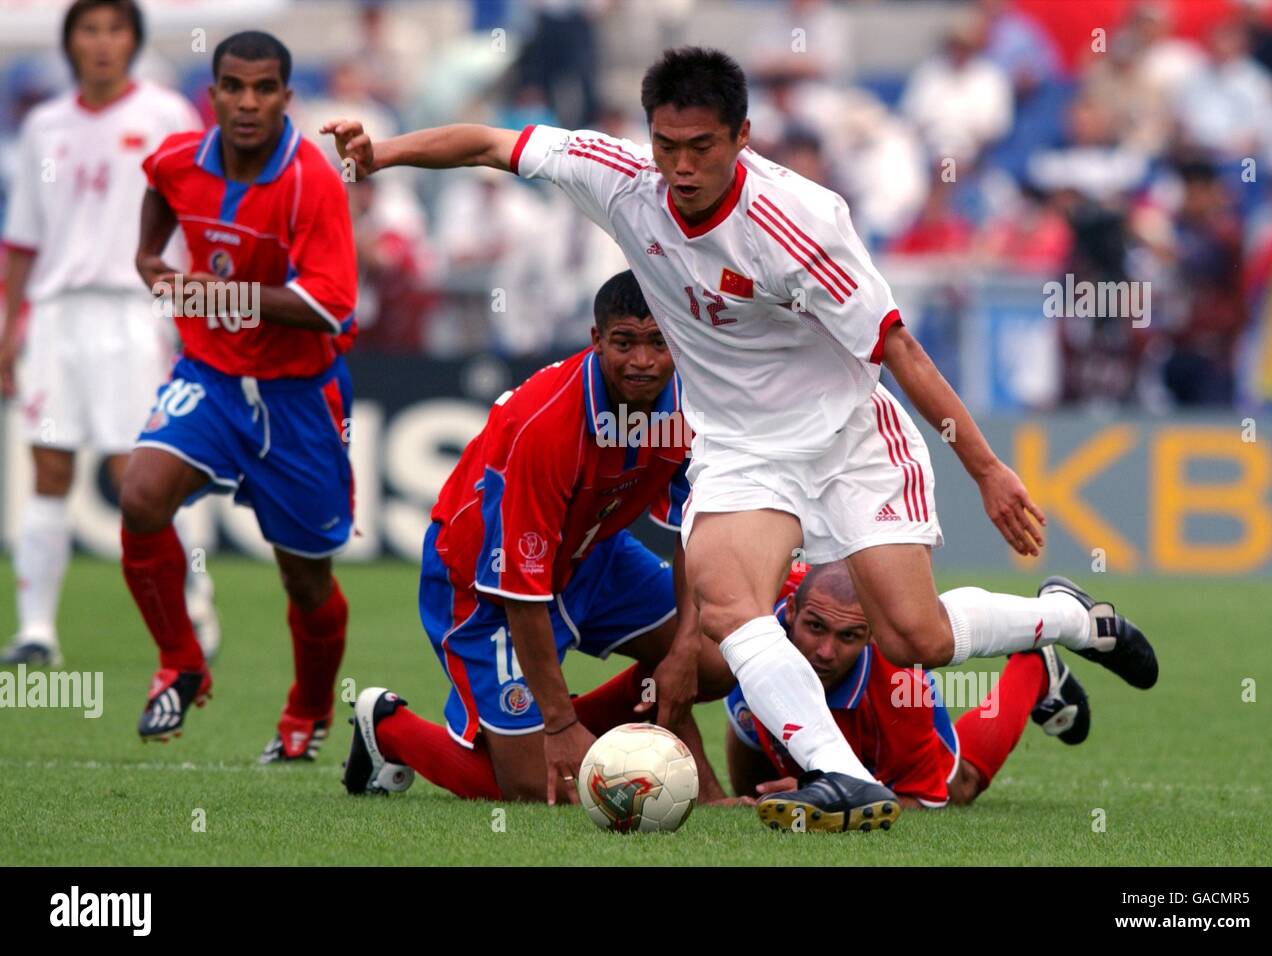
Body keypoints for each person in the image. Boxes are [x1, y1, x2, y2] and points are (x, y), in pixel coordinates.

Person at [324, 46, 1157, 833]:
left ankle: (1066, 621)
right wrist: (384, 150)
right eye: (666, 145)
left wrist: (987, 469)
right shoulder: (620, 180)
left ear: (743, 138)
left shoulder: (801, 221)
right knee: (728, 610)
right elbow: (490, 143)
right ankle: (844, 779)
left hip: (847, 436)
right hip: (740, 447)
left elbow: (896, 346)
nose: (680, 168)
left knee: (917, 639)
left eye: (702, 148)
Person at [343, 271, 734, 804]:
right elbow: (519, 588)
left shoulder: (693, 402)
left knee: (715, 660)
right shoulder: (547, 425)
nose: (642, 361)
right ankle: (388, 727)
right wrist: (558, 724)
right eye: (624, 343)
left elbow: (700, 525)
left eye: (658, 342)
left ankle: (561, 721)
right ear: (596, 341)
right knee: (535, 789)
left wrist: (685, 645)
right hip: (484, 587)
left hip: (595, 555)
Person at [121, 31, 358, 762]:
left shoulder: (309, 179)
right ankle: (182, 661)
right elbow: (159, 184)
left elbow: (333, 306)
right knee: (140, 498)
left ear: (287, 96)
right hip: (211, 377)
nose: (247, 102)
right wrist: (149, 259)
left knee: (306, 579)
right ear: (214, 92)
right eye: (233, 86)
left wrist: (221, 293)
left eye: (263, 89)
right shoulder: (181, 158)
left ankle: (307, 713)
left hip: (297, 398)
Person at [0, 0, 215, 667]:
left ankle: (193, 602)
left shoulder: (165, 116)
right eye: (88, 30)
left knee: (139, 474)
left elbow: (201, 214)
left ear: (132, 41)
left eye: (114, 30)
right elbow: (24, 238)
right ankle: (36, 632)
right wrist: (9, 328)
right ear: (70, 44)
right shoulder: (44, 125)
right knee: (48, 465)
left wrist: (197, 308)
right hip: (58, 311)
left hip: (134, 310)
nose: (101, 43)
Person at [726, 562, 1095, 815]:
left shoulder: (903, 691)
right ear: (790, 610)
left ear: (870, 636)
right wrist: (715, 797)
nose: (825, 651)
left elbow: (922, 799)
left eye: (848, 636)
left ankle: (1034, 666)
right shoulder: (753, 633)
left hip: (896, 706)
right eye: (816, 627)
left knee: (959, 786)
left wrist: (818, 792)